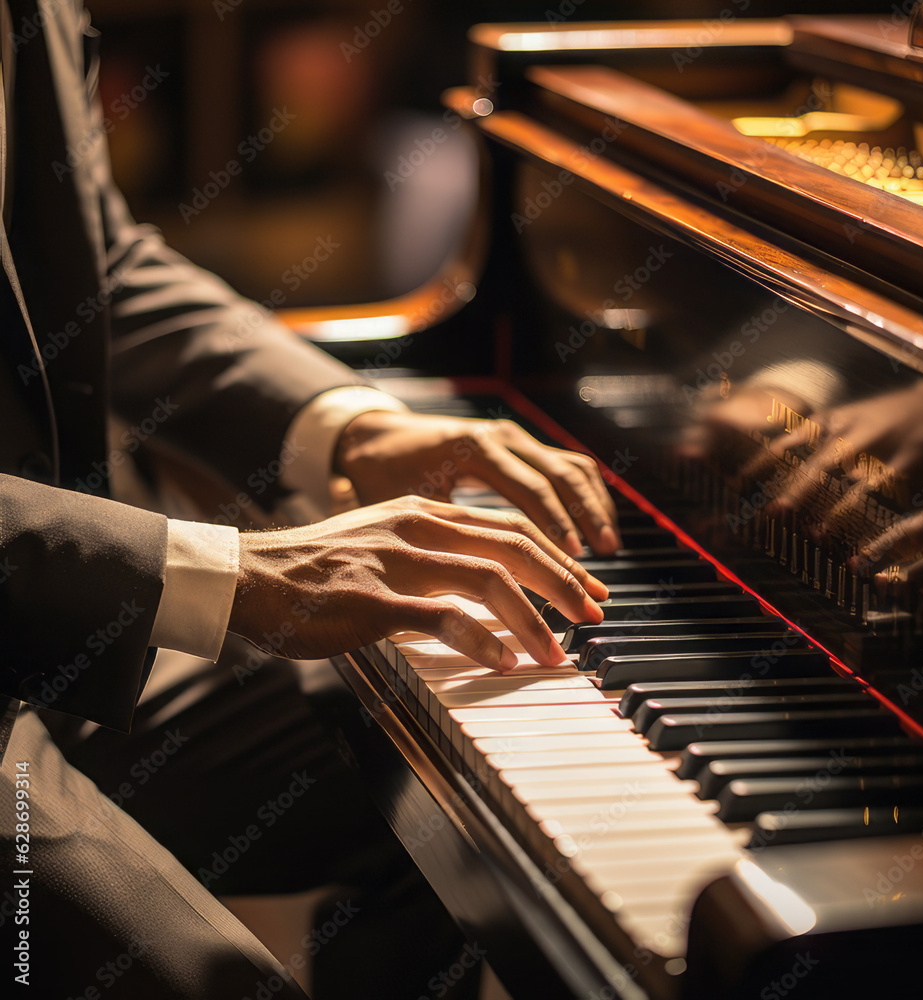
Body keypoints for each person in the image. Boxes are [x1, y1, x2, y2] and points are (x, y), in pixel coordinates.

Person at [0, 1, 619, 995]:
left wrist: (350, 425)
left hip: (61, 637)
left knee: (456, 779)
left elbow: (96, 261)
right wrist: (228, 575)